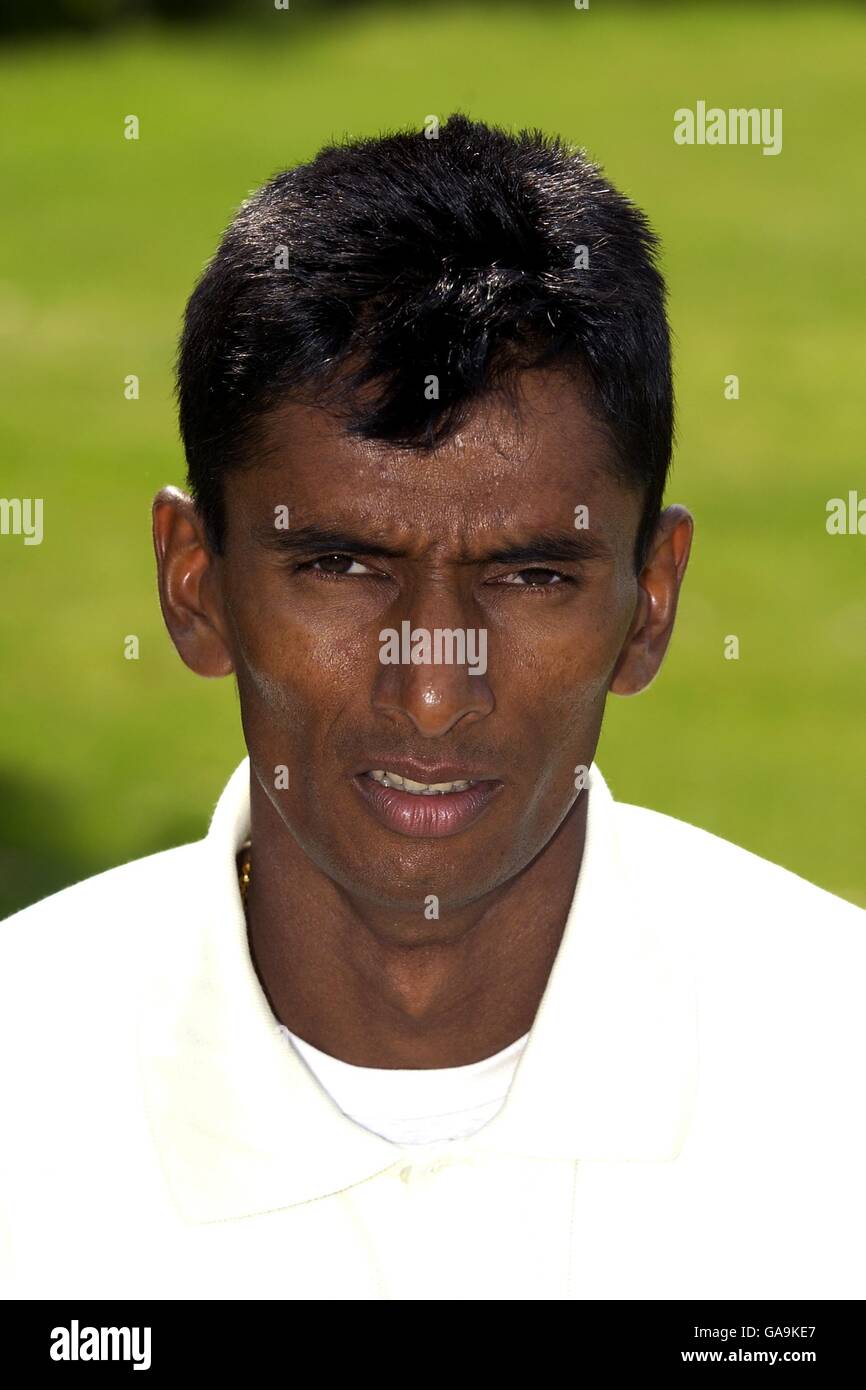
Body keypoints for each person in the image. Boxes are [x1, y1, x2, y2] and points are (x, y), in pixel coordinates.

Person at [2, 114, 863, 1301]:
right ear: (193, 583)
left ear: (650, 602)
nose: (431, 688)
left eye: (528, 575)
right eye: (341, 566)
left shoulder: (841, 1063)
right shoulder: (19, 1081)